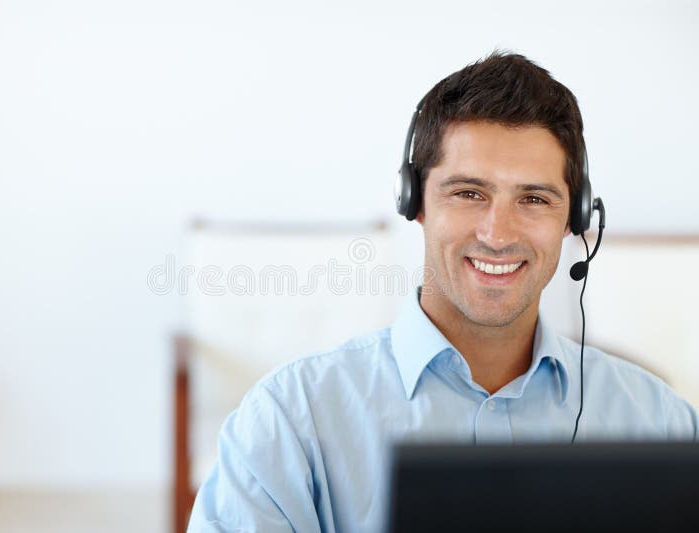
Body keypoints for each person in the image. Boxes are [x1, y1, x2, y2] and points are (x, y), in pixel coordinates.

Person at [186, 51, 697, 533]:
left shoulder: (660, 424)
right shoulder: (290, 420)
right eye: (469, 193)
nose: (498, 234)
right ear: (415, 202)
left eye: (535, 198)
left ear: (574, 218)